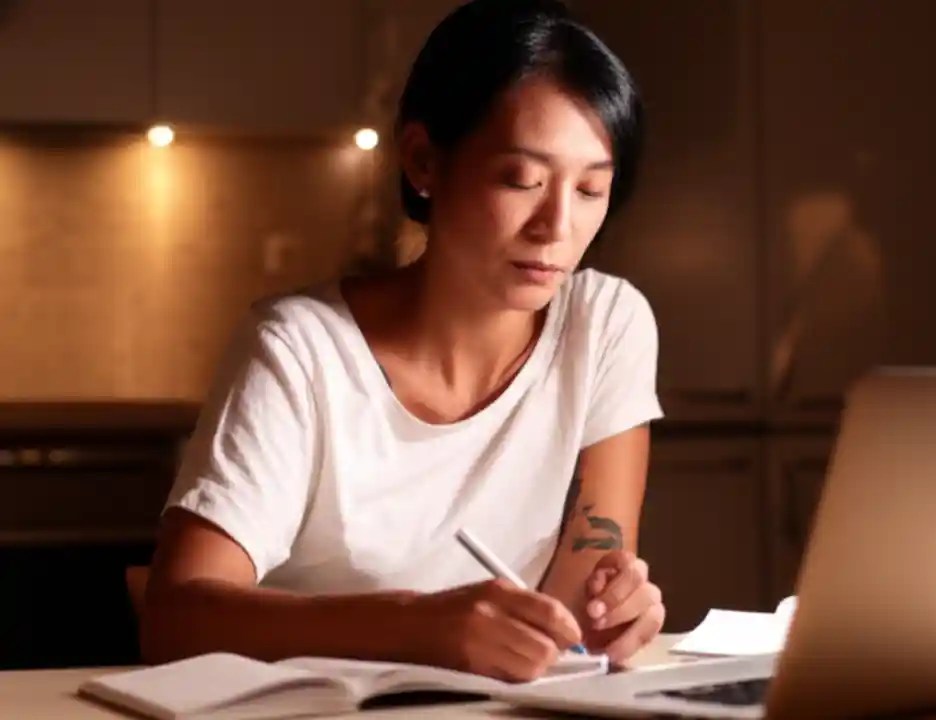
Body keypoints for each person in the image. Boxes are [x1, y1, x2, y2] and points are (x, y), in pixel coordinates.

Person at [140, 0, 665, 683]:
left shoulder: (606, 325)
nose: (556, 226)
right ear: (423, 160)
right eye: (522, 180)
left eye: (592, 189)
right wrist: (418, 626)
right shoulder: (302, 348)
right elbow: (175, 618)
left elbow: (581, 603)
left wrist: (605, 617)